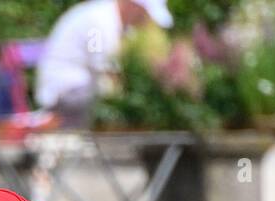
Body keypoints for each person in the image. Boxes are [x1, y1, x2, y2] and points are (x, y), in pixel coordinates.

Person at [34, 0, 174, 128]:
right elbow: (101, 65)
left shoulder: (113, 22)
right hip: (65, 93)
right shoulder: (96, 21)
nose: (145, 20)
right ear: (133, 6)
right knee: (112, 95)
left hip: (81, 90)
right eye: (145, 14)